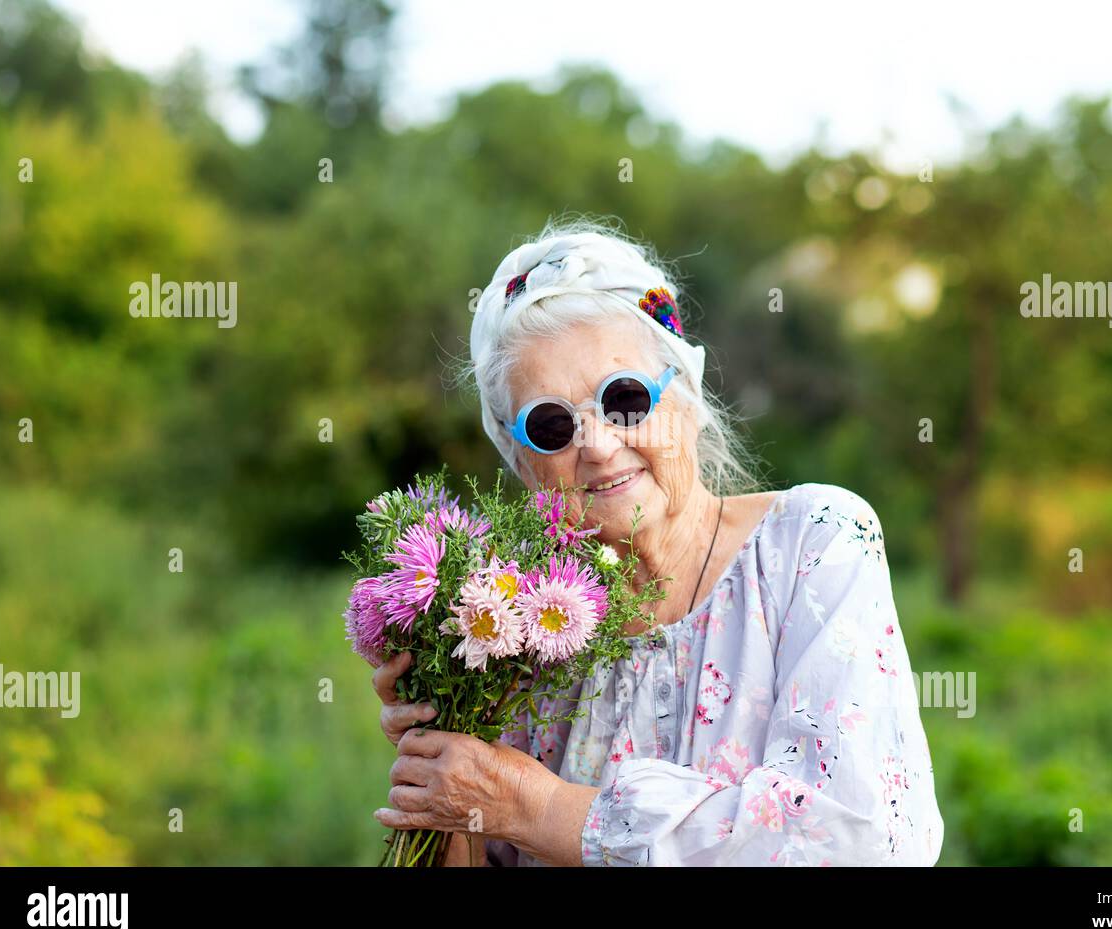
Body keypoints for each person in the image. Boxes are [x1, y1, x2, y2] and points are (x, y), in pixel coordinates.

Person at [370, 219, 944, 866]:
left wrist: (540, 808)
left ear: (688, 399)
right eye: (551, 424)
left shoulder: (814, 543)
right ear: (522, 462)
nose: (598, 444)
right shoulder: (508, 623)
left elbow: (856, 840)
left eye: (624, 398)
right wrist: (443, 738)